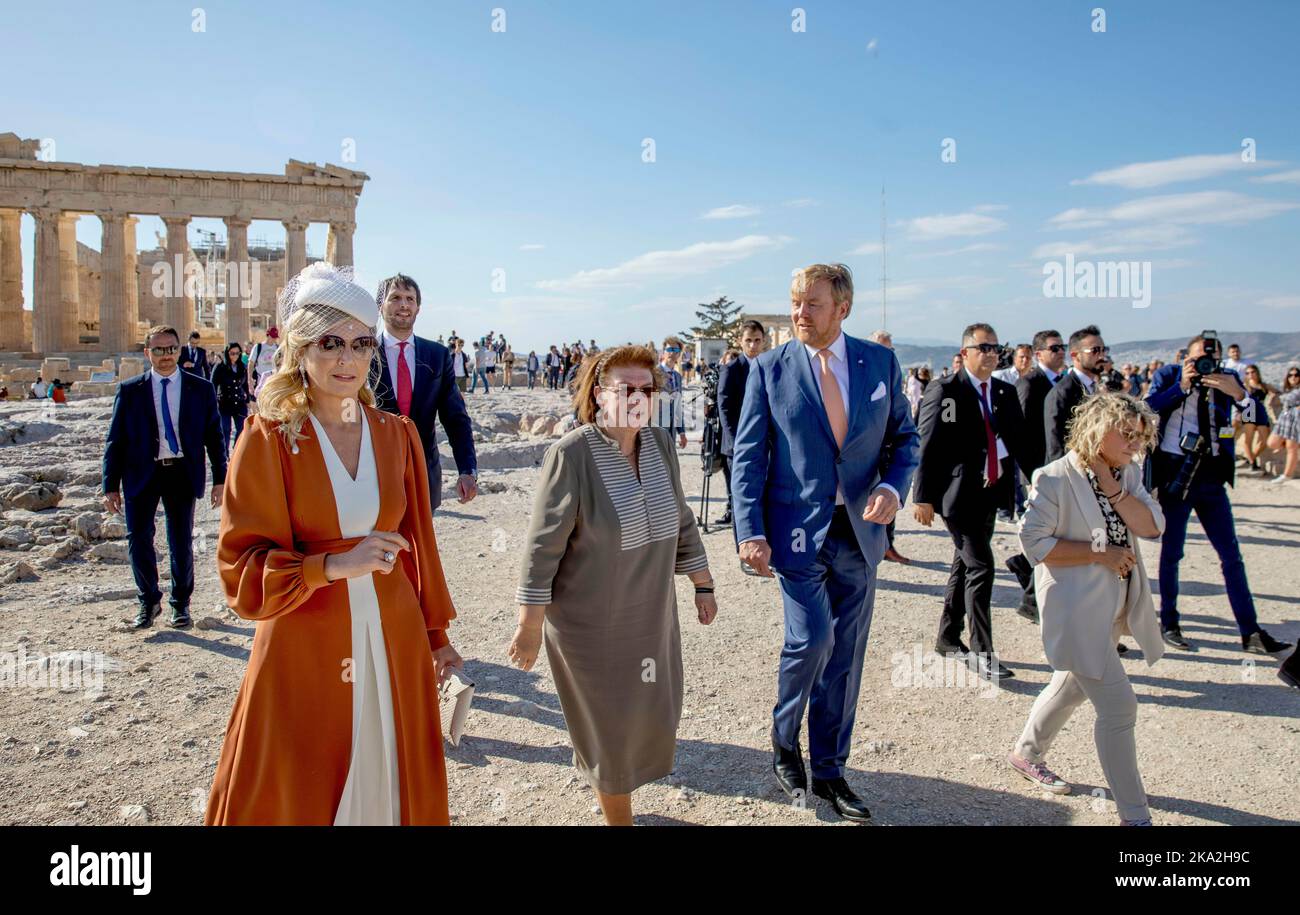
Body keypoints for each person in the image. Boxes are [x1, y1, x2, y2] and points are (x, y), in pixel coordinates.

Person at [205, 262, 463, 826]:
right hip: (305, 641)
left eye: (360, 344)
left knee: (389, 784)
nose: (347, 359)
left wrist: (436, 637)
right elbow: (240, 569)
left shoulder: (398, 436)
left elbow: (420, 543)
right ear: (300, 350)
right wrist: (332, 565)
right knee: (303, 785)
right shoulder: (267, 437)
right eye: (330, 343)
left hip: (394, 638)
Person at [732, 263, 919, 822]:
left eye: (812, 304)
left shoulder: (879, 362)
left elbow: (904, 438)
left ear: (843, 308)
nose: (799, 314)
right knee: (812, 640)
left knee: (846, 655)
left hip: (860, 534)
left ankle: (832, 772)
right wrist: (751, 530)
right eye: (795, 303)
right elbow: (749, 455)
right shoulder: (769, 368)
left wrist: (891, 486)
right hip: (795, 532)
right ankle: (784, 737)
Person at [508, 345, 716, 826]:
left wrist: (702, 583)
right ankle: (618, 819)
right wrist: (529, 625)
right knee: (611, 729)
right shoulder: (572, 454)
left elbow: (681, 519)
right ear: (600, 394)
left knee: (651, 715)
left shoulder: (661, 445)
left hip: (651, 616)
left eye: (647, 389)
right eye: (626, 389)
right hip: (590, 623)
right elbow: (543, 547)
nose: (638, 398)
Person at [1011, 393, 1165, 826]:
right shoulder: (1054, 478)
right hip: (1077, 614)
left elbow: (1152, 527)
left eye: (1141, 436)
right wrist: (1099, 555)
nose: (1136, 444)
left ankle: (1026, 753)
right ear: (1099, 429)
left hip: (1116, 610)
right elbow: (1035, 544)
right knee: (1120, 710)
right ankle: (1136, 817)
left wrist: (1115, 488)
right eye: (1128, 434)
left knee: (1071, 686)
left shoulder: (1125, 473)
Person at [1145, 336, 1291, 655]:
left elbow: (1259, 420)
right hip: (1176, 475)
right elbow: (1147, 409)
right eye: (1199, 359)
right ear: (1186, 357)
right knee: (1172, 553)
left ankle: (1249, 631)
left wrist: (1238, 394)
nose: (1206, 365)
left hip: (1212, 478)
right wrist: (1182, 386)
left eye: (1213, 359)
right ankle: (1169, 622)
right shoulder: (1169, 376)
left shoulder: (1229, 381)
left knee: (1231, 556)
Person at [913, 322, 1030, 681]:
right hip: (955, 495)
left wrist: (1038, 482)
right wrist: (923, 497)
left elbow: (1021, 442)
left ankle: (948, 637)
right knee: (981, 566)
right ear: (965, 353)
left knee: (964, 565)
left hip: (989, 491)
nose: (992, 354)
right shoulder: (946, 391)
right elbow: (928, 443)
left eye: (996, 348)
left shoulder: (1005, 392)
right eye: (984, 347)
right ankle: (982, 651)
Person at [102, 324, 227, 630]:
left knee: (181, 540)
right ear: (148, 353)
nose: (165, 355)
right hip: (141, 473)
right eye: (158, 350)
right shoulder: (130, 390)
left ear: (179, 350)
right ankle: (148, 600)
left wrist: (221, 479)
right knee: (138, 538)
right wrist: (110, 485)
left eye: (171, 348)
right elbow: (115, 439)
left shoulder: (201, 388)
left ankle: (180, 604)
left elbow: (215, 436)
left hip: (181, 471)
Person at [372, 274, 478, 512]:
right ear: (381, 306)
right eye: (395, 298)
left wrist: (467, 470)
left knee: (421, 549)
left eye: (410, 298)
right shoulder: (363, 353)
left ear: (418, 308)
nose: (404, 305)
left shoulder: (437, 356)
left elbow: (455, 419)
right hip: (373, 477)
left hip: (423, 474)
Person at [1007, 329, 1068, 623]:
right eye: (1055, 348)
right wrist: (1032, 474)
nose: (1061, 352)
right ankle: (1032, 600)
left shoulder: (1066, 383)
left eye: (1063, 347)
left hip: (1060, 472)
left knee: (1055, 535)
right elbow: (1019, 434)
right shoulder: (1031, 383)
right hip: (1038, 473)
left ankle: (1024, 570)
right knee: (1048, 536)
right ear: (1039, 353)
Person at [716, 319, 766, 528]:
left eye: (757, 340)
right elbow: (724, 408)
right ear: (740, 341)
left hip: (764, 443)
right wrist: (735, 442)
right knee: (740, 496)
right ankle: (742, 542)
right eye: (748, 340)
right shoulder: (732, 370)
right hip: (737, 445)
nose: (753, 345)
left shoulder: (769, 367)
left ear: (764, 341)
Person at [1044, 325, 1107, 464]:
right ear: (1075, 355)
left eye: (1103, 350)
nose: (1102, 355)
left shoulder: (1096, 388)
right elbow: (1056, 445)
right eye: (1095, 350)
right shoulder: (1062, 393)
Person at [211, 342, 251, 456]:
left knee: (241, 428)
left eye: (237, 353)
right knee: (226, 429)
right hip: (224, 403)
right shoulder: (220, 367)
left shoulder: (242, 367)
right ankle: (224, 453)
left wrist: (247, 400)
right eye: (232, 353)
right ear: (227, 353)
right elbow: (212, 385)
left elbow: (245, 385)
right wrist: (212, 402)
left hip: (239, 402)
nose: (235, 356)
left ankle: (237, 451)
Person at [1236, 364, 1275, 472]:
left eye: (1253, 372)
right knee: (1248, 439)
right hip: (1249, 412)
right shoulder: (1244, 386)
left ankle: (1251, 458)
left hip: (1261, 413)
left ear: (1257, 373)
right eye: (1247, 373)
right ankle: (1253, 462)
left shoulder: (1264, 386)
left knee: (1265, 440)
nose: (1251, 375)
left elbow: (1277, 392)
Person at [1266, 367, 1300, 482]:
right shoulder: (1287, 389)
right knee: (1272, 443)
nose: (1293, 377)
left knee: (1292, 448)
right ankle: (1285, 443)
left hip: (1296, 419)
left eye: (1296, 375)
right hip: (1284, 419)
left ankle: (1287, 475)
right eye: (1290, 375)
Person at [658, 336, 687, 449]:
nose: (672, 353)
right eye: (669, 350)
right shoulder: (654, 373)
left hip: (672, 429)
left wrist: (682, 432)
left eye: (675, 350)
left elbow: (678, 406)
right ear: (664, 352)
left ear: (679, 354)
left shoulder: (678, 377)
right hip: (656, 427)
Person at [249, 326, 279, 397]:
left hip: (274, 382)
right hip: (261, 382)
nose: (274, 339)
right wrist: (249, 379)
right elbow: (251, 363)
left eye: (275, 337)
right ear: (268, 335)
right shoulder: (258, 347)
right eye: (272, 337)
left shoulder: (278, 348)